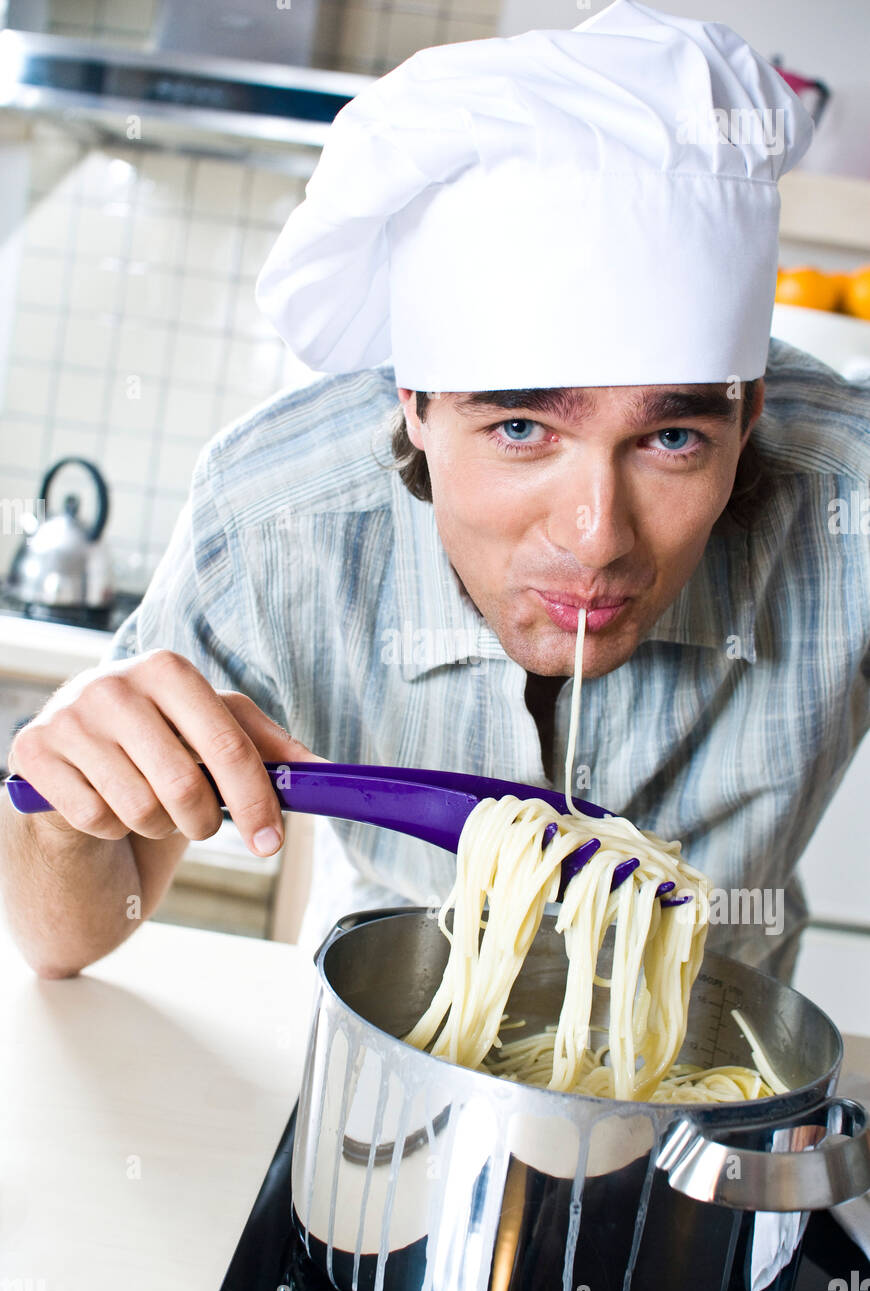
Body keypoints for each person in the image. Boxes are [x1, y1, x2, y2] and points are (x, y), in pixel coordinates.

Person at [1, 1, 868, 984]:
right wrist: (67, 808)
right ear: (414, 398)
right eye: (521, 430)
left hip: (704, 1099)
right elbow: (62, 939)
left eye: (672, 438)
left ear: (750, 409)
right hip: (379, 1061)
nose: (595, 538)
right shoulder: (278, 516)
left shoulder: (847, 503)